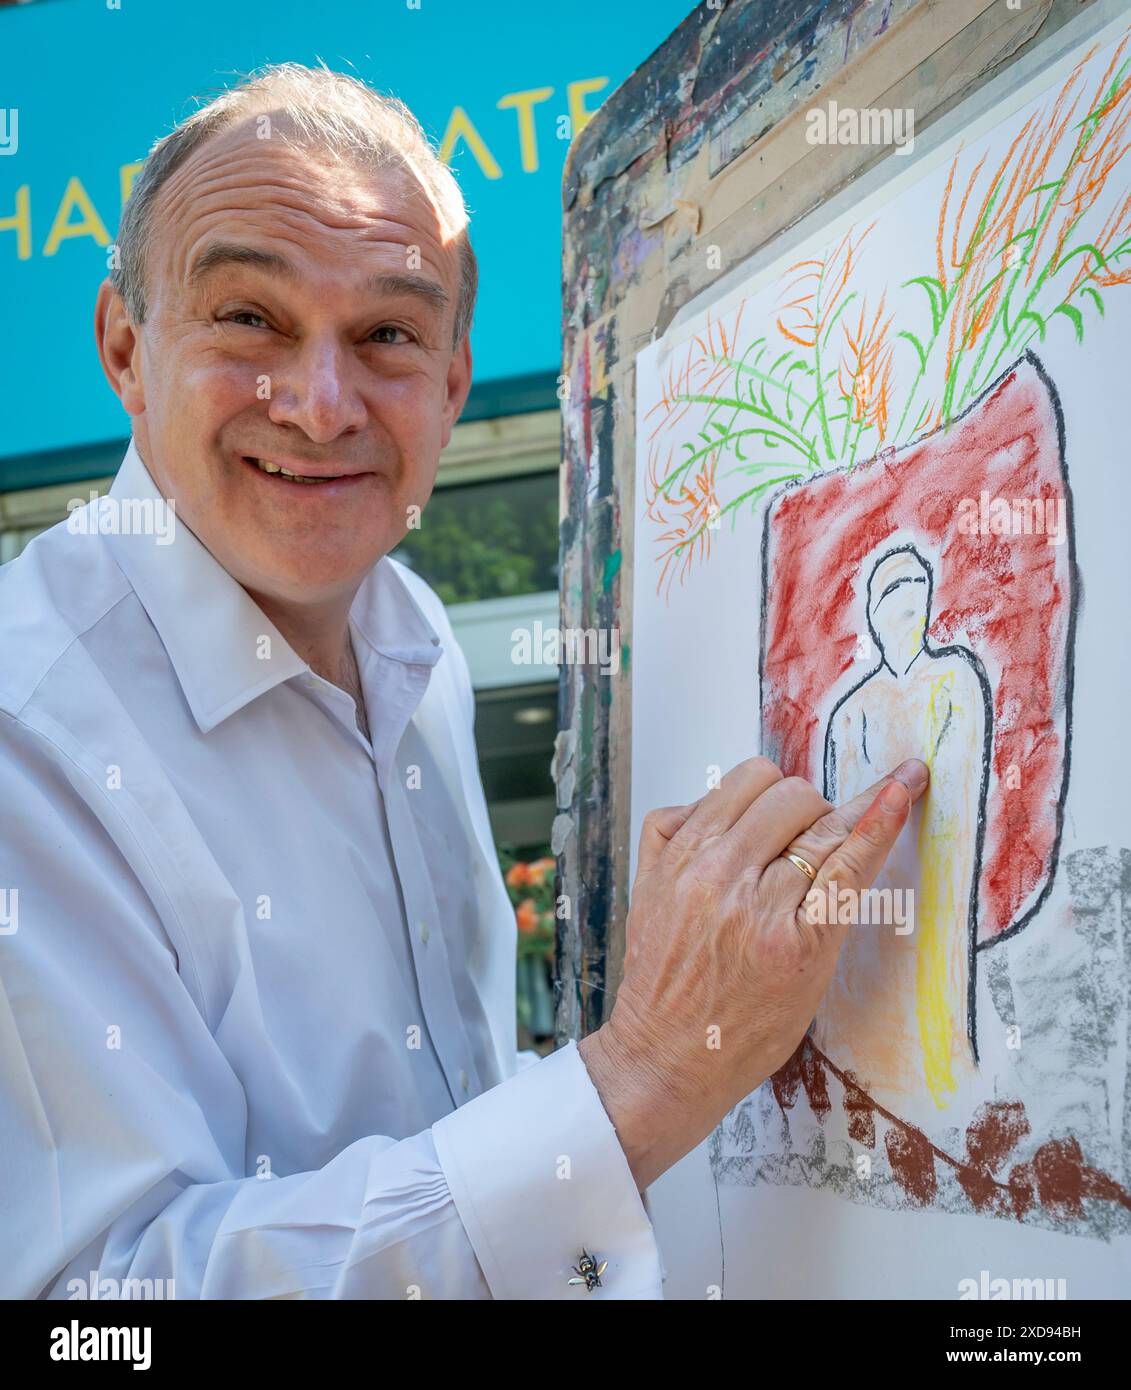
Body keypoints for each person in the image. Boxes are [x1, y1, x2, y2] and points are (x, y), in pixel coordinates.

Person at [0, 62, 928, 1300]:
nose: (322, 405)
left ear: (449, 379)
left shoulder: (416, 635)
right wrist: (644, 1077)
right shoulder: (28, 724)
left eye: (387, 332)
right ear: (126, 346)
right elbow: (99, 1309)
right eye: (249, 317)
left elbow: (444, 1095)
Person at [819, 544, 988, 1120]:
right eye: (892, 590)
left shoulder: (955, 680)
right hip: (868, 899)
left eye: (917, 584)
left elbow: (956, 810)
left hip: (933, 888)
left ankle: (939, 1091)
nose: (907, 600)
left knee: (930, 1011)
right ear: (871, 611)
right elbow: (838, 821)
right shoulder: (850, 711)